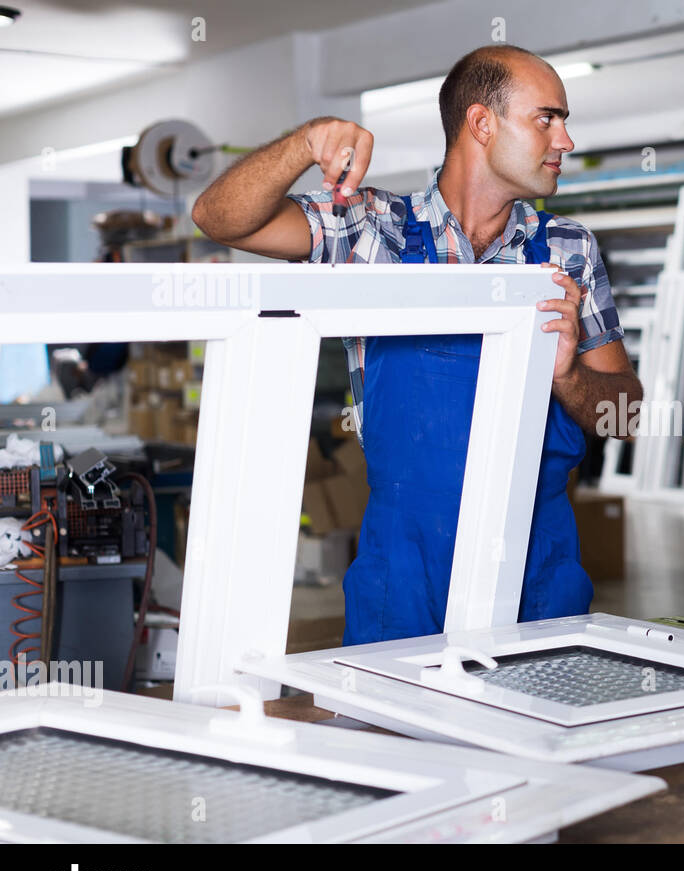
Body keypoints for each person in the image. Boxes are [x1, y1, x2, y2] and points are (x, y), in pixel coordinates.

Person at [193, 44, 642, 643]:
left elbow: (627, 418)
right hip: (406, 582)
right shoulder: (369, 231)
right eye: (547, 118)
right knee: (401, 735)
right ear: (481, 123)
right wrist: (307, 142)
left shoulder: (569, 250)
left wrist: (569, 377)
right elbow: (220, 219)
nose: (566, 140)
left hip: (539, 573)